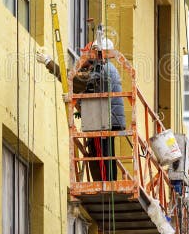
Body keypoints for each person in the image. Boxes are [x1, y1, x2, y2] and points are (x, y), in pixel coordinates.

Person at [36, 35, 126, 182]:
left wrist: (48, 62)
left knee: (101, 155)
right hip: (109, 117)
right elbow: (91, 90)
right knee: (106, 153)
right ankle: (107, 182)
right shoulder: (108, 68)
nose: (85, 59)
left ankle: (105, 184)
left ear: (97, 52)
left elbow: (77, 81)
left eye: (89, 54)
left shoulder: (101, 68)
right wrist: (76, 100)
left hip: (103, 120)